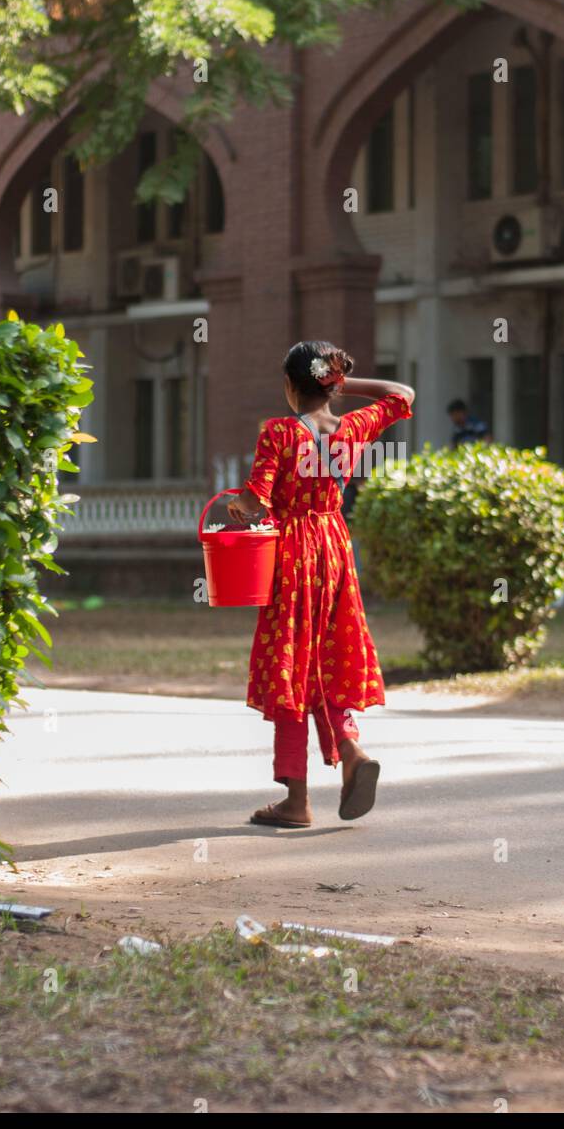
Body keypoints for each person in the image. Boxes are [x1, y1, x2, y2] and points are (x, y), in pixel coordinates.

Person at [227, 340, 415, 828]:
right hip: (334, 546)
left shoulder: (279, 433)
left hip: (290, 552)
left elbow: (255, 501)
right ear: (331, 383)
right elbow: (401, 393)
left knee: (292, 665)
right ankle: (351, 749)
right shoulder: (352, 427)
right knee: (328, 656)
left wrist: (236, 509)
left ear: (291, 386)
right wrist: (342, 384)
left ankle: (296, 799)